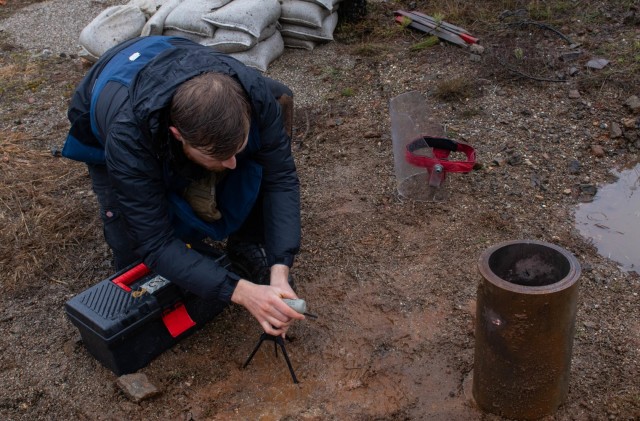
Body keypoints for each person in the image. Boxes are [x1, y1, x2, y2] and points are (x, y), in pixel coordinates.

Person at [62, 35, 304, 337]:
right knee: (135, 254)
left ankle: (246, 245)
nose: (231, 163)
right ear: (178, 135)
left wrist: (279, 267)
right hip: (112, 90)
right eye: (219, 155)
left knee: (253, 167)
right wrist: (241, 292)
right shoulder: (128, 138)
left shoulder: (255, 92)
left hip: (172, 55)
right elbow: (155, 242)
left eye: (235, 150)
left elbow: (279, 178)